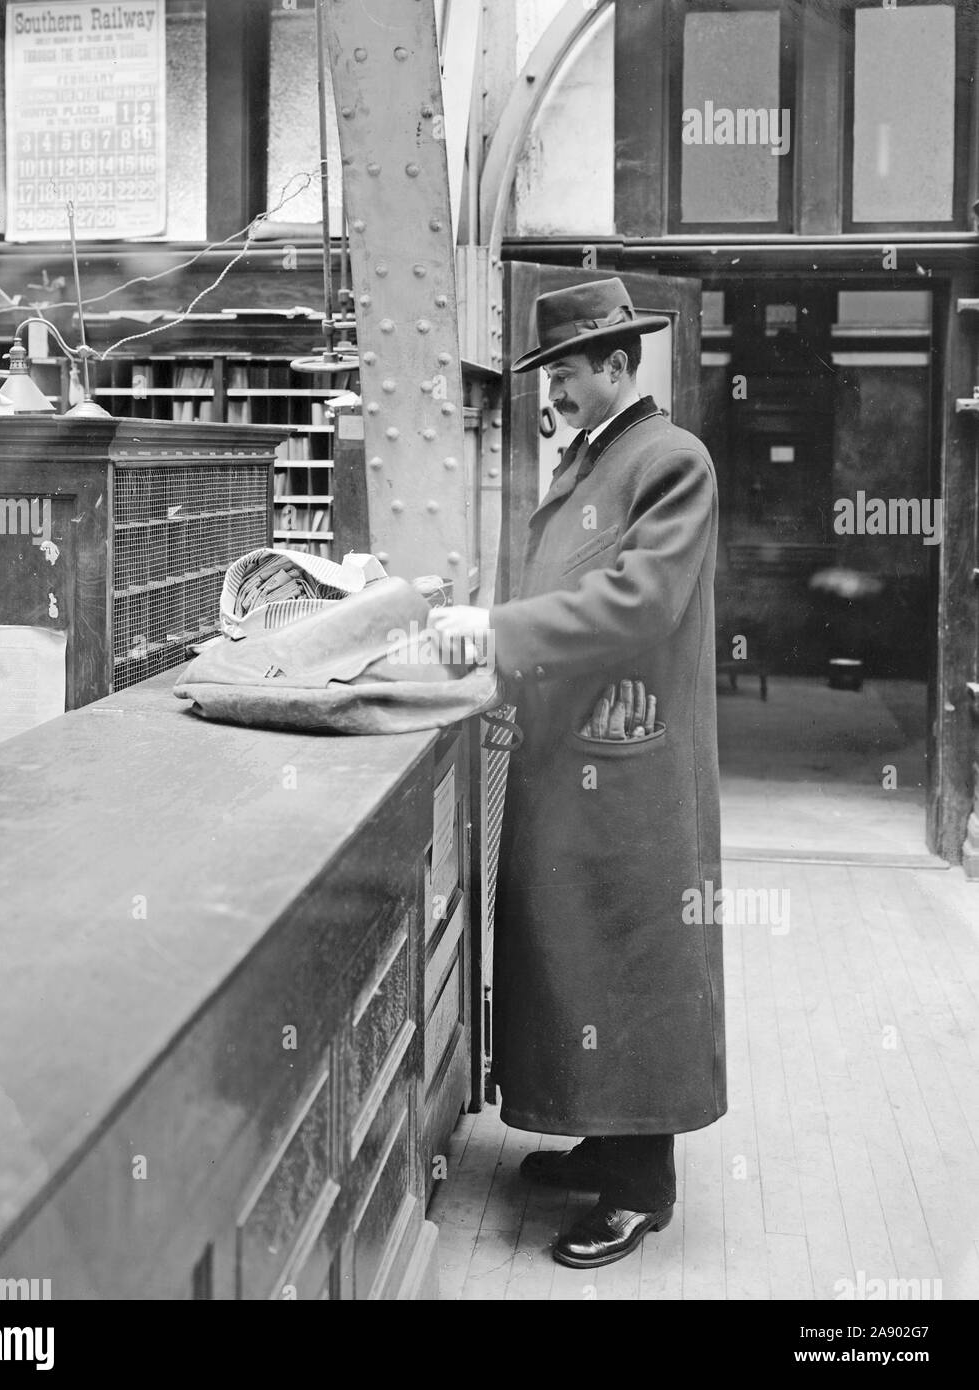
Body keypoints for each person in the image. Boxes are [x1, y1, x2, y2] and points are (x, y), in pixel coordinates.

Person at [429, 277, 726, 1268]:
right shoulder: (594, 457)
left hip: (629, 759)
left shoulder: (670, 461)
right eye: (544, 373)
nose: (549, 391)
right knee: (573, 949)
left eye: (564, 371)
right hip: (573, 750)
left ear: (614, 365)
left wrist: (495, 632)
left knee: (628, 954)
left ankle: (641, 1188)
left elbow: (636, 603)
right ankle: (603, 1137)